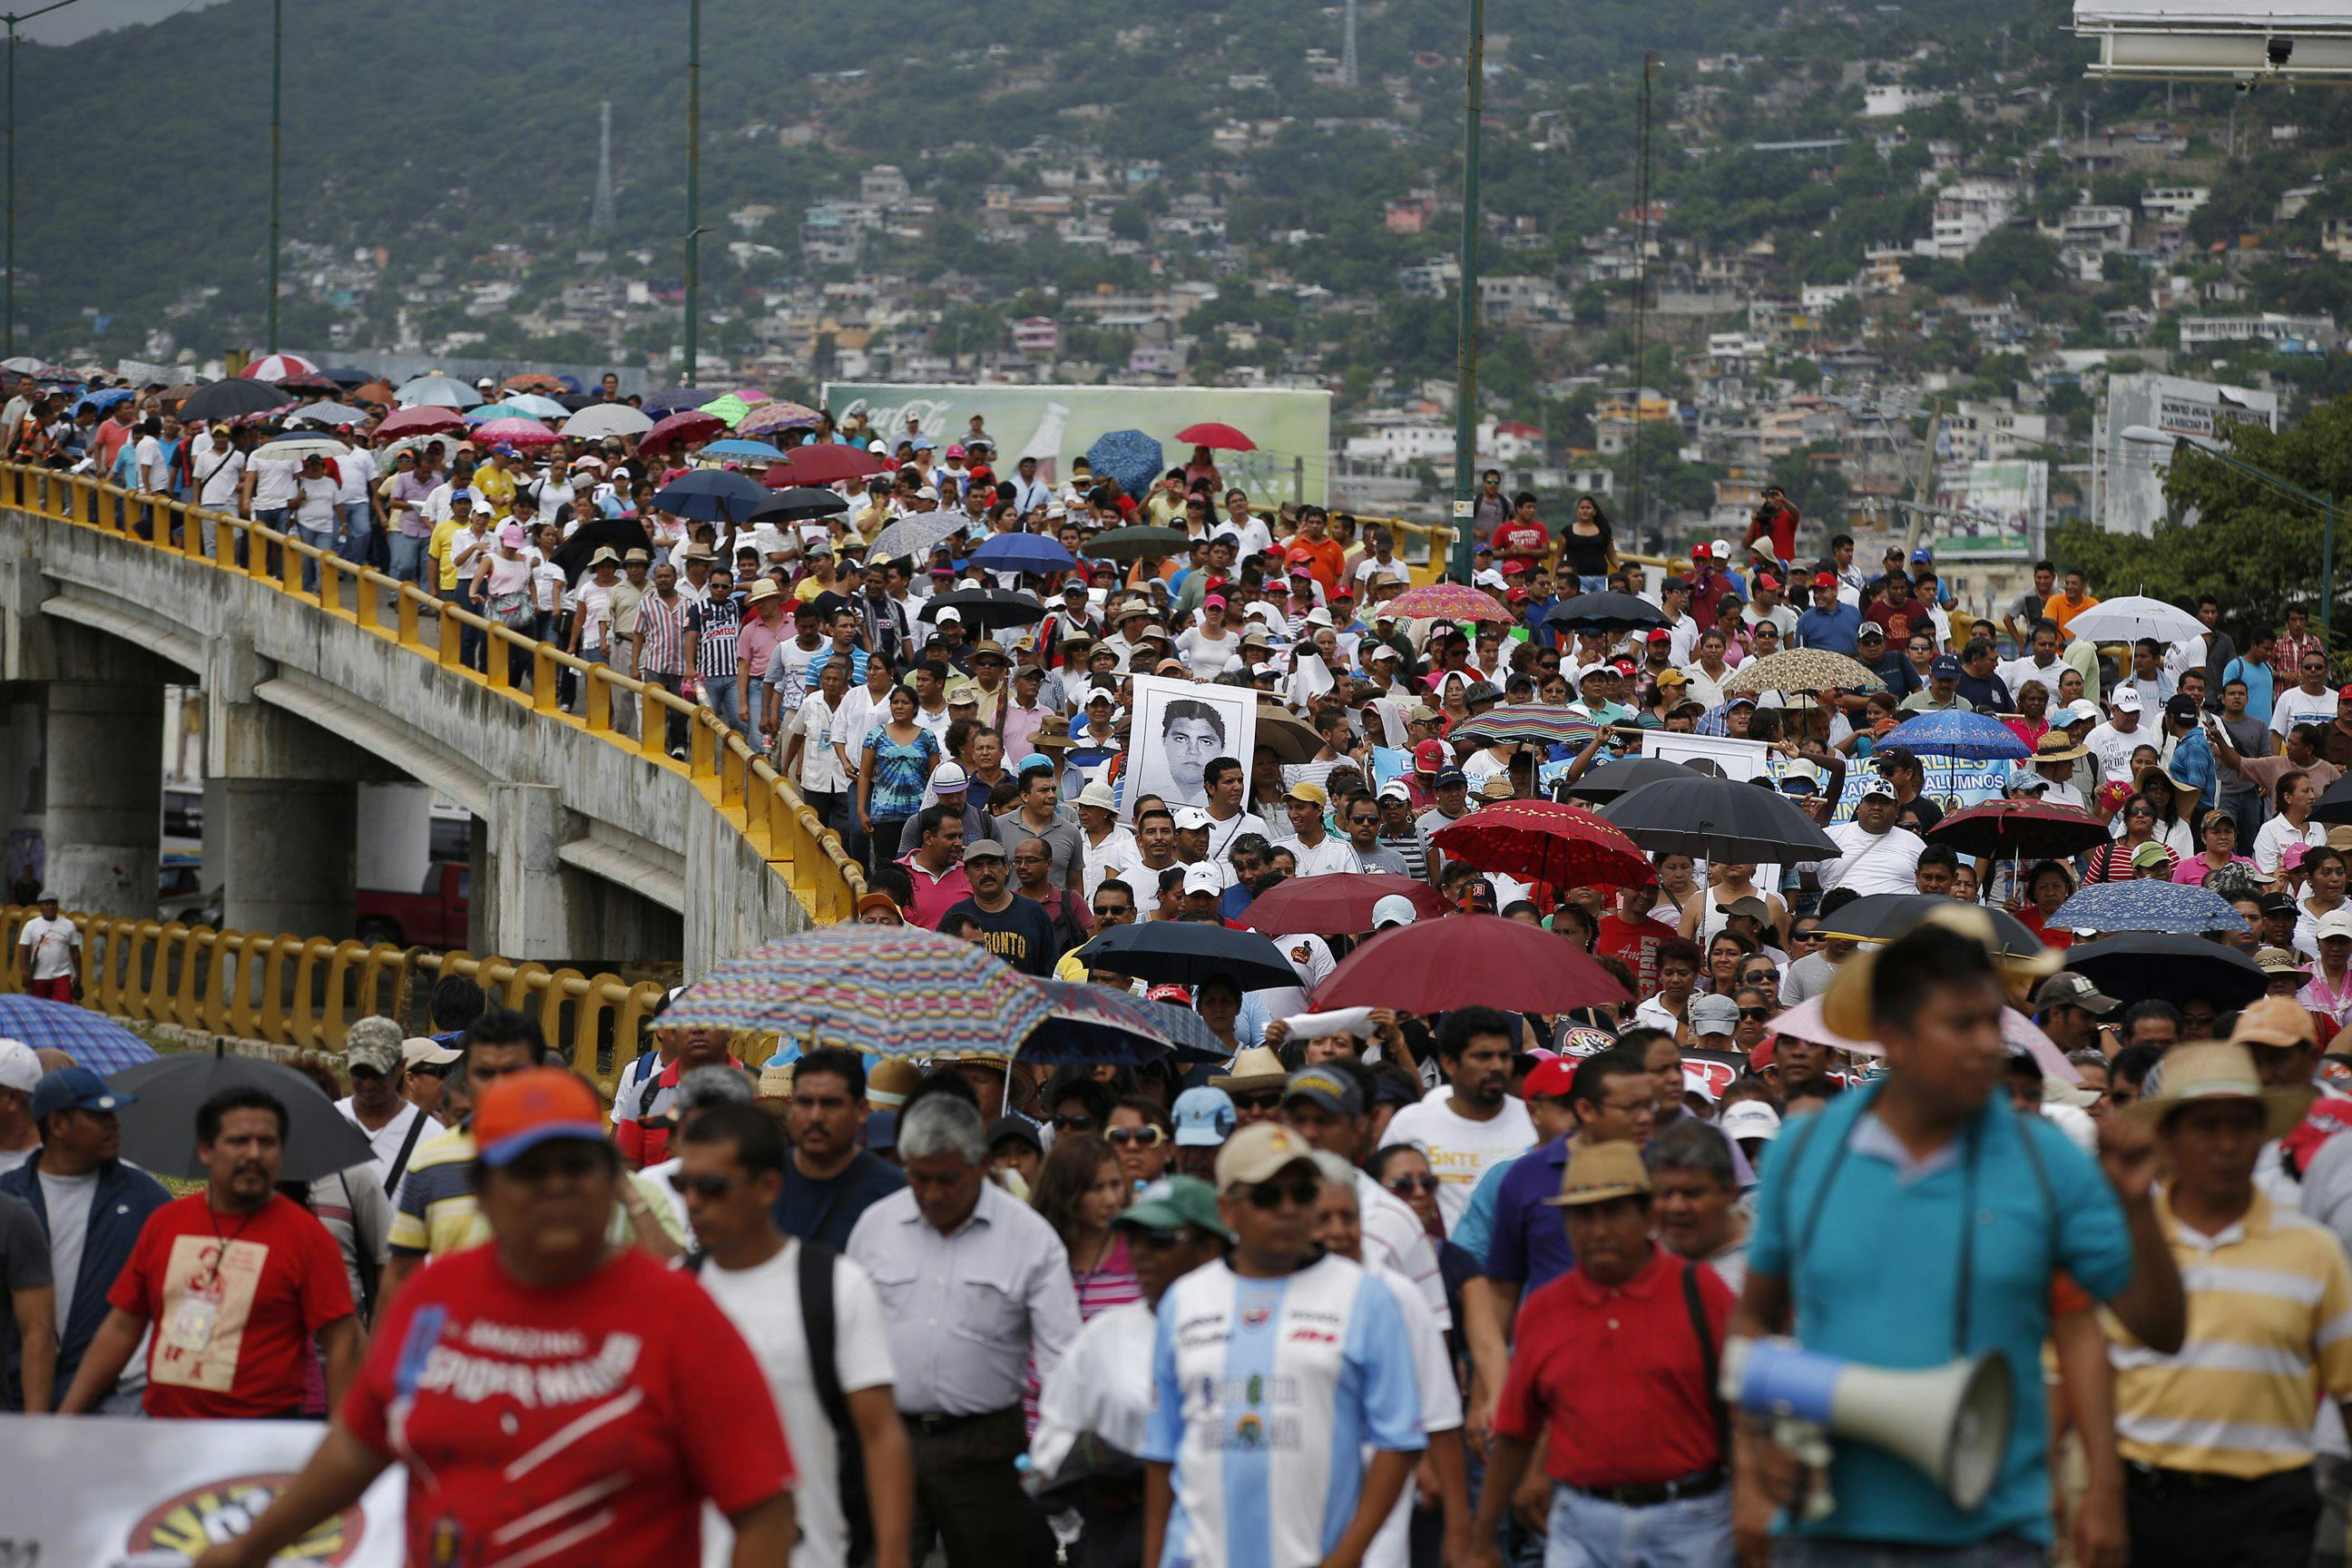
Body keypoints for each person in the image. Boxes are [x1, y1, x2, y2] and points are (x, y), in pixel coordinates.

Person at [191, 1069, 799, 1568]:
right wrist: (249, 1548)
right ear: (482, 1189)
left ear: (611, 1180)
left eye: (577, 1167)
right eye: (531, 1171)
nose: (557, 1187)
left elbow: (765, 1511)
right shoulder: (433, 1300)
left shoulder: (683, 1318)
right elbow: (358, 1445)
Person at [1730, 909, 2187, 1567]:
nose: (1988, 1044)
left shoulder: (2049, 1159)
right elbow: (1753, 1318)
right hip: (1825, 1529)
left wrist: (2138, 1209)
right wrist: (1750, 1463)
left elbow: (2159, 1329)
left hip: (1995, 1532)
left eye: (1992, 1019)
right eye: (1961, 1024)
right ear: (1894, 1035)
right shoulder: (1805, 1151)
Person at [2106, 1016, 2348, 1568]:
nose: (2226, 1143)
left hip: (2274, 1505)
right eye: (2206, 1125)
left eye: (2242, 1125)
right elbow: (2087, 1372)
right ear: (2168, 1136)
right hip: (2145, 1500)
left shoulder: (2312, 1250)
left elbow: (2348, 1389)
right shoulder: (2125, 1242)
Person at [1142, 1123, 1426, 1568]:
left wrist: (1347, 1557)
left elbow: (1400, 1440)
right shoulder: (1184, 1300)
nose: (1289, 1209)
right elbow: (1162, 1453)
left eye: (1303, 1193)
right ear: (1227, 1210)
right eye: (1268, 1196)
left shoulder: (1365, 1298)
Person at [1473, 1140, 1737, 1568]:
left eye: (1612, 1212)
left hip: (1691, 1521)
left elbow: (1745, 1412)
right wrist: (1482, 1536)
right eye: (1582, 1215)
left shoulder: (1700, 1290)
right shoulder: (1544, 1309)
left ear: (1646, 1214)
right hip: (1580, 1522)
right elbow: (1517, 1428)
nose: (1597, 1230)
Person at [678, 1102, 916, 1568]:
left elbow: (881, 1434)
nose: (692, 1203)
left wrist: (892, 1555)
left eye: (711, 1187)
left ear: (768, 1187)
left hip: (811, 1552)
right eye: (683, 1185)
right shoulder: (675, 1292)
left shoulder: (837, 1286)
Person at [846, 1093, 1080, 1568]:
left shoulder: (1030, 1238)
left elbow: (1063, 1360)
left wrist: (1052, 1457)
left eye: (947, 1179)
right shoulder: (876, 1227)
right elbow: (846, 1337)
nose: (932, 1193)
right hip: (889, 1441)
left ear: (981, 1164)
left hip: (988, 1449)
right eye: (919, 1178)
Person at [59, 1086, 359, 1418]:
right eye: (238, 1141)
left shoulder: (308, 1238)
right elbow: (122, 1326)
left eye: (267, 1142)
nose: (254, 1154)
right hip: (164, 1430)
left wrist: (342, 1436)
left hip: (260, 1437)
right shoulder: (166, 1224)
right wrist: (67, 1416)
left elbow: (342, 1343)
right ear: (205, 1150)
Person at [1033, 1176, 1231, 1568]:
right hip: (1122, 1536)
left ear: (1210, 1248)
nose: (1141, 1253)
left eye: (1160, 1239)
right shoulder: (1104, 1336)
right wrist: (1094, 1465)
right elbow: (1049, 1442)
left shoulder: (1250, 1330)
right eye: (1134, 1238)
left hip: (1223, 1534)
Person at [0, 1065, 170, 1411]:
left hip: (112, 1396)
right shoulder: (9, 1196)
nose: (114, 1124)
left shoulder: (144, 1198)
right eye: (98, 1115)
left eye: (113, 1114)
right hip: (14, 1389)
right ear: (58, 1125)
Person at [1382, 1006, 1536, 1229]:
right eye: (1483, 1056)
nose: (1497, 1066)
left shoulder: (1534, 1124)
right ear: (1449, 1063)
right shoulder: (1409, 1125)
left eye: (1504, 1056)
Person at [773, 1048, 909, 1250]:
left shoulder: (896, 1193)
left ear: (862, 1110)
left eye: (830, 1104)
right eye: (805, 1103)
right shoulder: (762, 1182)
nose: (815, 1116)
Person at [331, 1016, 426, 1194]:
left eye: (379, 1073)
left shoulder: (429, 1134)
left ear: (402, 1066)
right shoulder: (327, 1120)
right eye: (360, 1072)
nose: (368, 1083)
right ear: (348, 1066)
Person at [940, 838, 1062, 976]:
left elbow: (1051, 971)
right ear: (966, 874)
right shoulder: (956, 916)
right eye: (978, 866)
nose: (986, 872)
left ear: (1005, 868)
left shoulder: (1034, 913)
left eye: (993, 864)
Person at [15, 891, 77, 1003]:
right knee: (39, 1010)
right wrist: (24, 972)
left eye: (53, 904)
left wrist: (78, 974)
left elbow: (75, 951)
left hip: (62, 976)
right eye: (46, 904)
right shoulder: (31, 925)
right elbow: (22, 949)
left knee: (63, 1009)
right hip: (38, 977)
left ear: (57, 906)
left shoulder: (69, 925)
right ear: (40, 907)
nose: (50, 907)